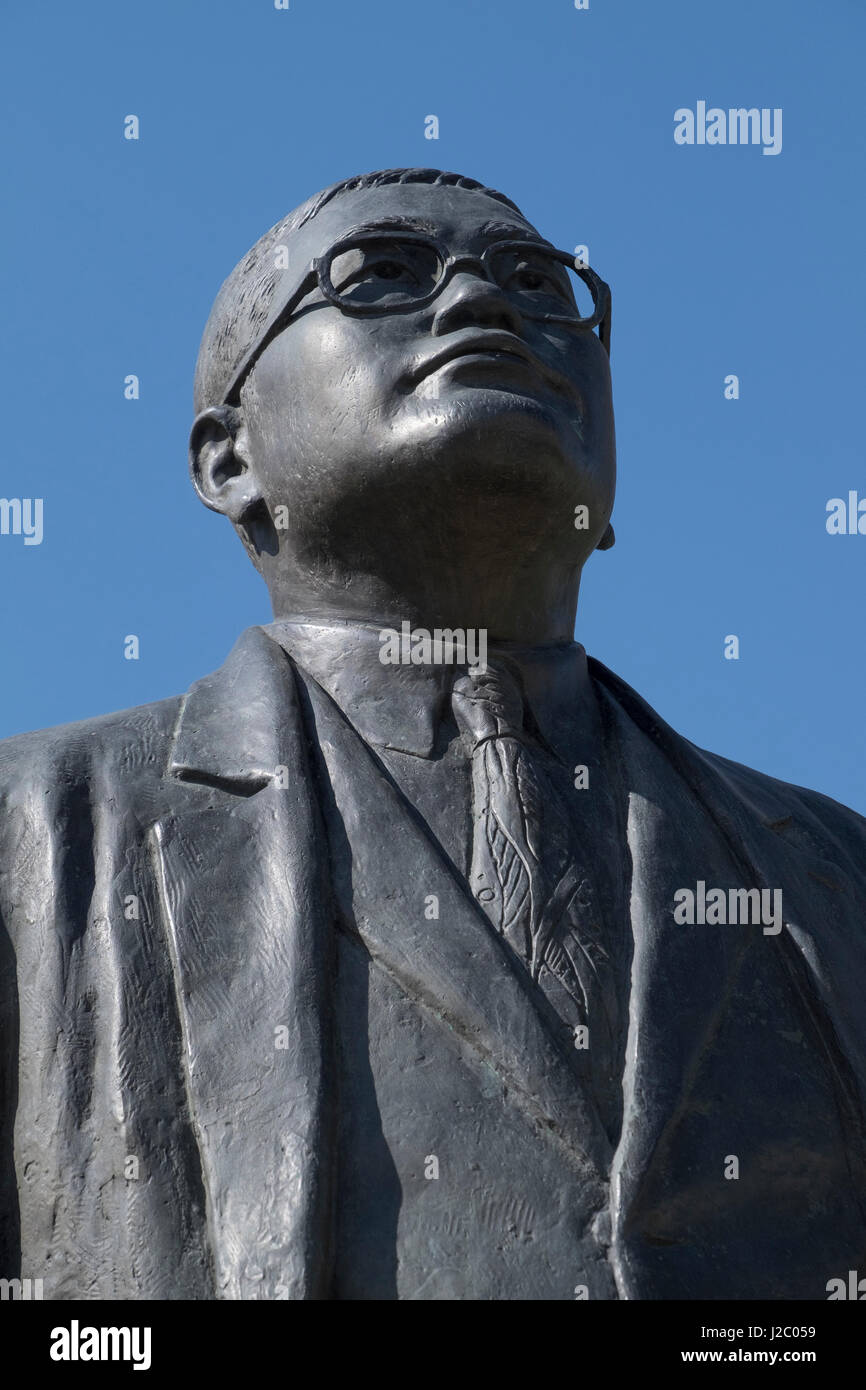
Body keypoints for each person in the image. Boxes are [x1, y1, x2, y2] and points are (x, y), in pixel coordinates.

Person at [2, 167, 865, 1301]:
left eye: (538, 283)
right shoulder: (39, 829)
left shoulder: (831, 870)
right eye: (384, 275)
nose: (483, 303)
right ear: (228, 460)